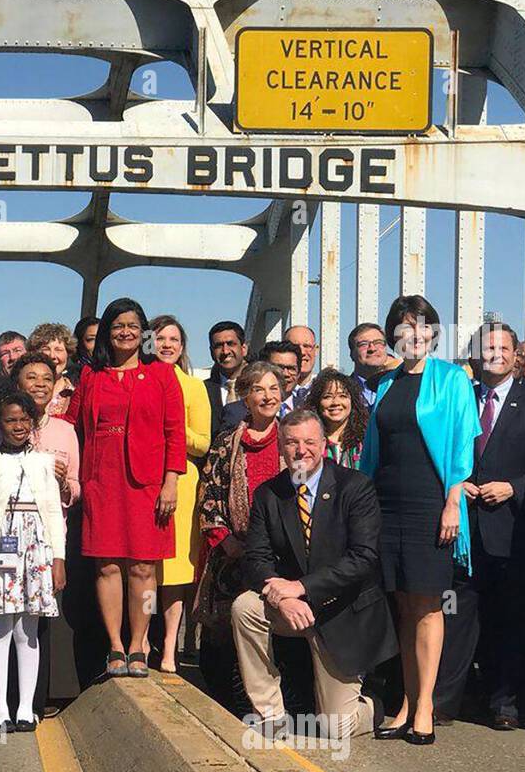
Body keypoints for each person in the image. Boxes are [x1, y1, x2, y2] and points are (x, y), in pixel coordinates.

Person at [233, 409, 396, 738]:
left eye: (309, 442)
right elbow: (256, 559)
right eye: (292, 442)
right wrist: (281, 598)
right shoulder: (269, 494)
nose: (300, 450)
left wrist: (301, 588)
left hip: (341, 611)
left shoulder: (356, 487)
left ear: (323, 445)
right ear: (280, 447)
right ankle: (269, 715)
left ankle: (375, 705)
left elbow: (363, 558)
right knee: (245, 607)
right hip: (294, 609)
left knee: (336, 728)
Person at [359, 295, 477, 746]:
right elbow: (374, 449)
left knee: (428, 604)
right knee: (404, 606)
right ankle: (407, 701)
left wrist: (452, 503)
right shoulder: (386, 383)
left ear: (432, 333)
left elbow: (462, 445)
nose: (414, 335)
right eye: (404, 328)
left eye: (422, 327)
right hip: (387, 502)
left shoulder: (451, 380)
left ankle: (426, 704)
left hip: (431, 503)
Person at [65, 298, 185, 679]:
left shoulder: (162, 374)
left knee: (144, 569)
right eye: (118, 325)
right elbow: (71, 425)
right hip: (102, 480)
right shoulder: (91, 376)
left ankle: (139, 644)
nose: (126, 332)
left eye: (133, 325)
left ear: (143, 332)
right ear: (106, 332)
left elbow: (174, 432)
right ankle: (115, 645)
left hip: (148, 483)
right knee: (108, 565)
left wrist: (171, 480)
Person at [451, 321, 525, 730]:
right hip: (463, 528)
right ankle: (452, 699)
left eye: (502, 347)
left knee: (511, 619)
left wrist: (513, 487)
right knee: (460, 617)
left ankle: (505, 703)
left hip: (513, 532)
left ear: (516, 355)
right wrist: (456, 483)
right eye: (486, 347)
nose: (494, 353)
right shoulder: (461, 400)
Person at [0, 352, 81, 715]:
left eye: (23, 420)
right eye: (10, 420)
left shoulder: (44, 463)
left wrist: (59, 559)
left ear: (32, 423)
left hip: (37, 554)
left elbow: (52, 514)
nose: (17, 426)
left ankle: (25, 709)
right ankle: (0, 707)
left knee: (27, 633)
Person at [195, 362, 285, 628]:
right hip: (235, 553)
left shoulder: (292, 439)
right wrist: (226, 540)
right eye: (259, 390)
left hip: (282, 554)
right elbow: (208, 494)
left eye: (274, 388)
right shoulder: (226, 442)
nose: (268, 396)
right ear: (246, 398)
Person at [150, 315, 212, 674]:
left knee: (173, 573)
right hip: (142, 479)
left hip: (182, 480)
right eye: (161, 338)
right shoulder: (138, 381)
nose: (168, 345)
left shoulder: (193, 386)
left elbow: (202, 444)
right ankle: (142, 639)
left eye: (174, 339)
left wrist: (172, 431)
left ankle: (171, 647)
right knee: (144, 569)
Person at [219, 341, 301, 431]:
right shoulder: (235, 413)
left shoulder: (306, 408)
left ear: (299, 373)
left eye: (291, 368)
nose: (285, 373)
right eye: (279, 368)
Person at [305, 369, 368, 468]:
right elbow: (299, 477)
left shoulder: (366, 441)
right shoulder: (307, 443)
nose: (336, 402)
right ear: (317, 403)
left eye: (342, 396)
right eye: (327, 397)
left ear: (353, 402)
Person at [205, 321, 248, 424]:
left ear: (244, 349)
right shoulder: (202, 391)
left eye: (230, 344)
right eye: (219, 346)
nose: (225, 351)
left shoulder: (259, 386)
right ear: (211, 352)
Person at [30, 322, 77, 416]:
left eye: (58, 350)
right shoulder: (25, 391)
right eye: (46, 349)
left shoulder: (76, 394)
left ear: (68, 354)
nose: (52, 356)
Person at [348, 322, 398, 407]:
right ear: (352, 354)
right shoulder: (343, 390)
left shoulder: (400, 386)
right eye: (363, 344)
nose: (372, 348)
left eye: (378, 342)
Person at [285, 325, 318, 406]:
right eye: (294, 347)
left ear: (316, 350)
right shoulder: (272, 394)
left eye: (307, 346)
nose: (302, 352)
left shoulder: (327, 390)